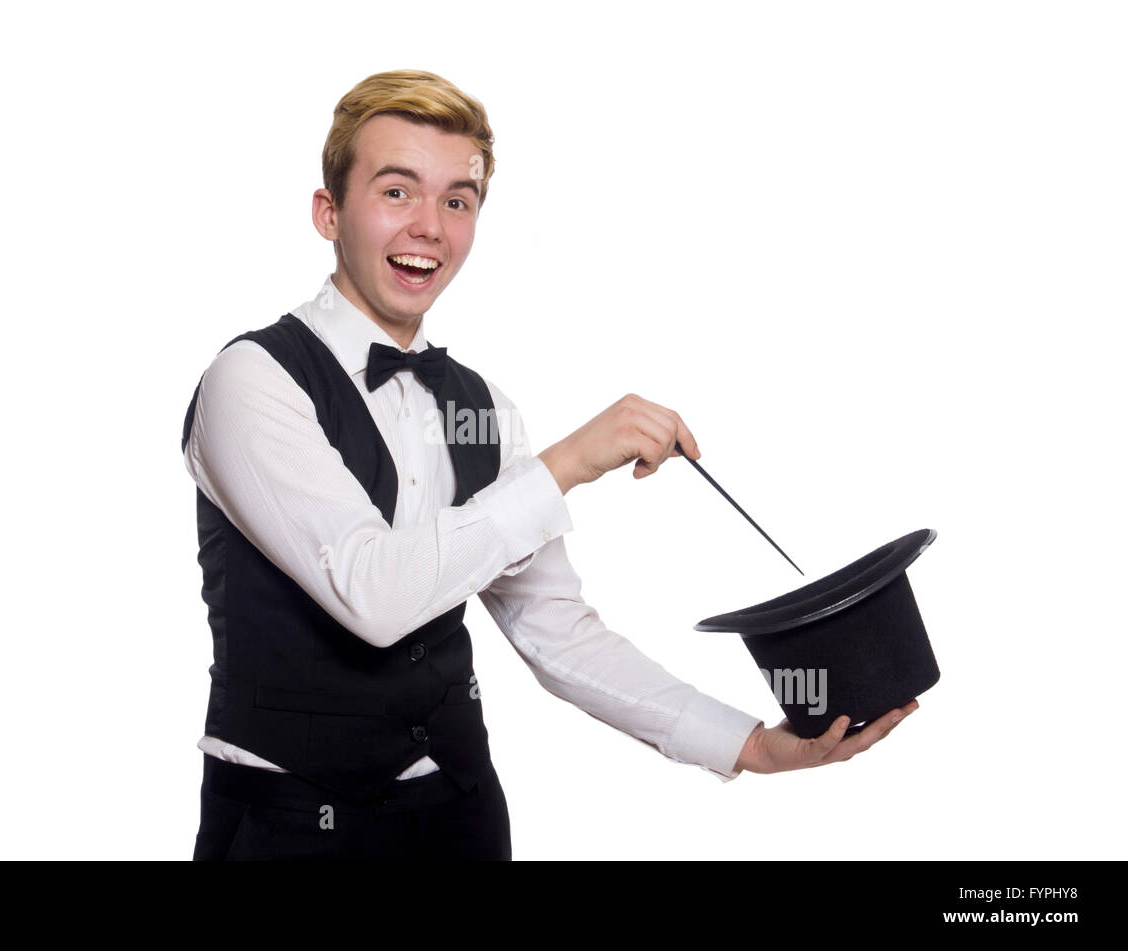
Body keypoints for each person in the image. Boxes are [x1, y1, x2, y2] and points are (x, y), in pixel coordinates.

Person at [181, 69, 917, 861]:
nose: (429, 225)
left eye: (457, 200)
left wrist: (750, 744)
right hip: (288, 827)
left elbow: (554, 629)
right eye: (397, 192)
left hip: (461, 816)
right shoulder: (250, 382)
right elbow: (373, 593)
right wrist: (566, 464)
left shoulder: (482, 409)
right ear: (329, 211)